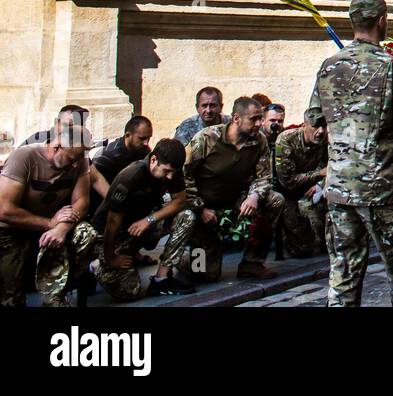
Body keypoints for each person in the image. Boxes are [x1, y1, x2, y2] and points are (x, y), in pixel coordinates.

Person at [306, 0, 393, 307]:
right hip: (381, 189)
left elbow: (313, 118)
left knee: (343, 276)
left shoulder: (329, 67)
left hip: (340, 188)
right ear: (382, 20)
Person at [158, 97, 284, 285]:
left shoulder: (259, 141)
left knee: (274, 200)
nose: (259, 123)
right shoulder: (206, 139)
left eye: (260, 118)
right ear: (236, 119)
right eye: (254, 119)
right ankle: (183, 257)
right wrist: (200, 209)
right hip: (203, 209)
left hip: (235, 202)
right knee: (203, 273)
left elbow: (263, 176)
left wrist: (254, 196)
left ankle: (252, 263)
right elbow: (183, 176)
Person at [0, 119, 96, 307]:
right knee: (10, 301)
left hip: (51, 229)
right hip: (11, 230)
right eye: (71, 159)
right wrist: (49, 223)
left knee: (85, 233)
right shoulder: (25, 157)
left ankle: (56, 293)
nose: (76, 165)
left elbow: (82, 202)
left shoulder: (79, 161)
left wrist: (60, 229)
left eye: (79, 159)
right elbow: (4, 210)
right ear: (56, 146)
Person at [94, 138, 188, 301]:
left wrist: (150, 219)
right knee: (130, 293)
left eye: (174, 172)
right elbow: (112, 222)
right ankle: (95, 265)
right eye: (166, 171)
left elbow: (179, 200)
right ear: (153, 160)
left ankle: (161, 279)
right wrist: (111, 258)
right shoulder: (130, 176)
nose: (171, 177)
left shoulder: (172, 169)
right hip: (114, 234)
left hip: (141, 226)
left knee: (186, 217)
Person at [274, 119, 329, 257]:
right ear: (304, 126)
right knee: (303, 249)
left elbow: (333, 166)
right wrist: (319, 174)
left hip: (312, 189)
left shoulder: (326, 137)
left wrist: (320, 184)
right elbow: (288, 181)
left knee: (327, 245)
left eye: (324, 126)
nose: (321, 131)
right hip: (287, 193)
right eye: (316, 126)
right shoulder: (287, 139)